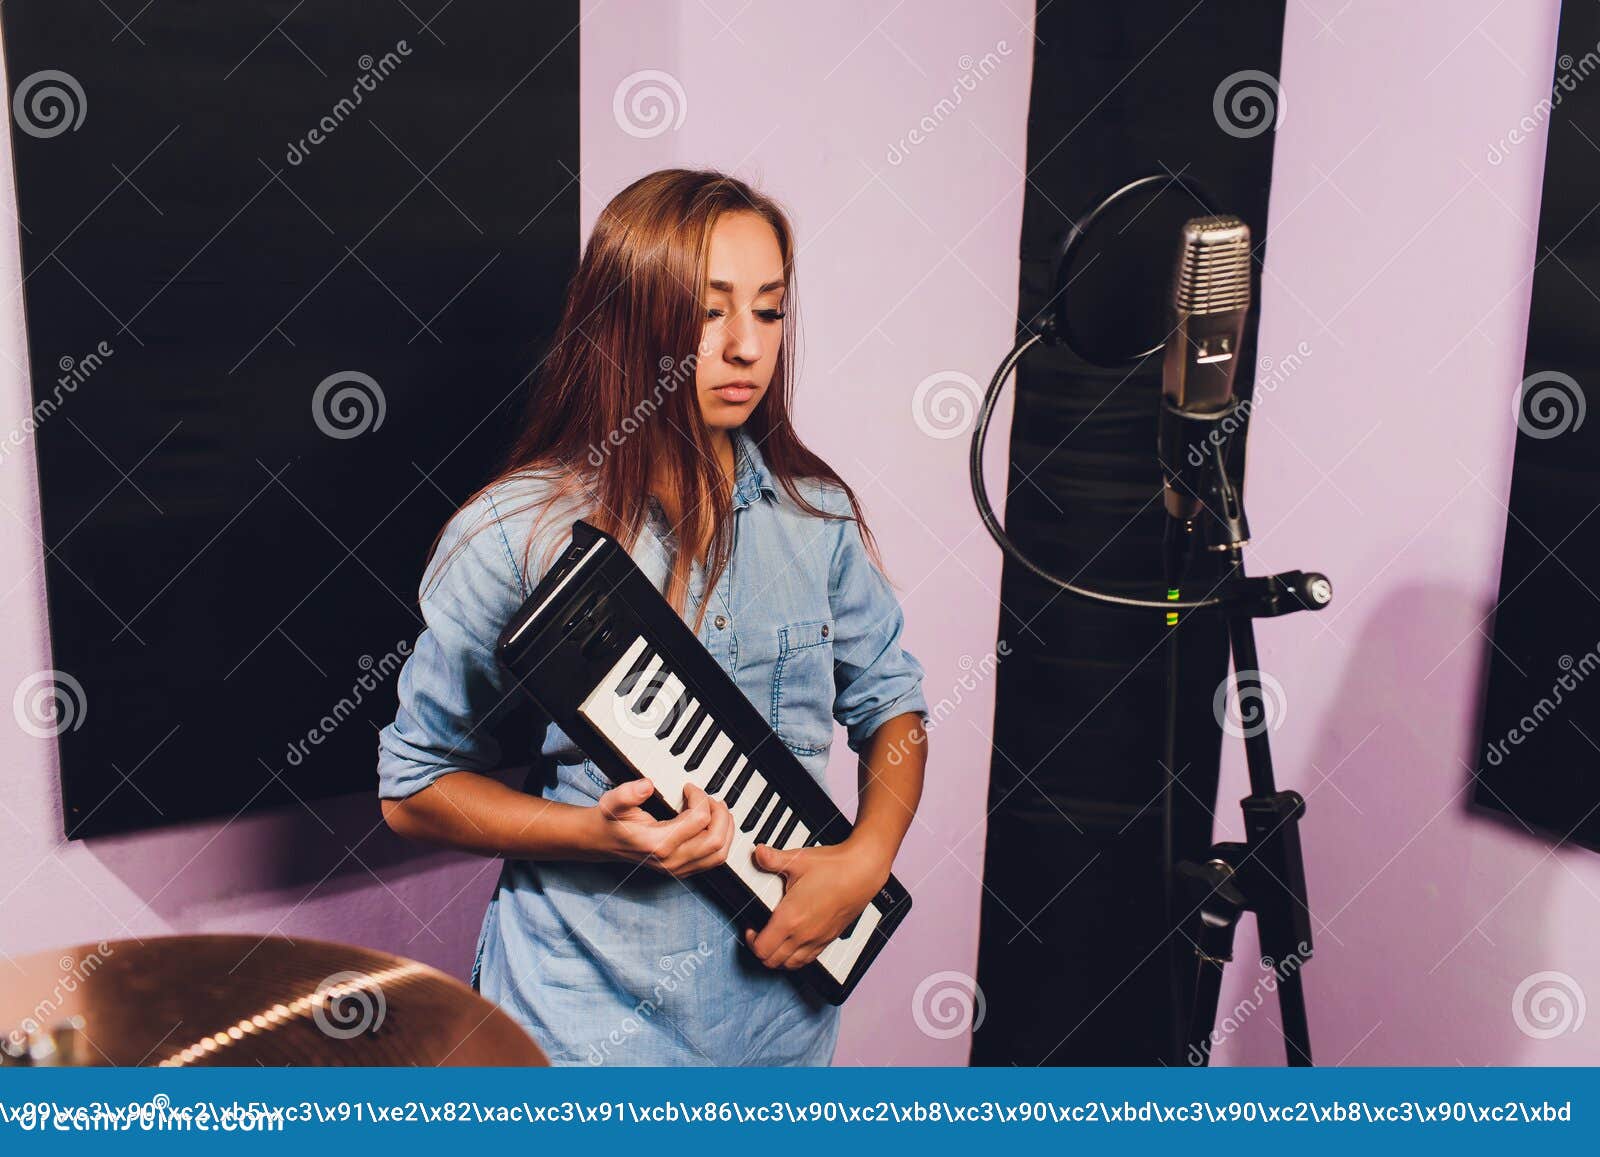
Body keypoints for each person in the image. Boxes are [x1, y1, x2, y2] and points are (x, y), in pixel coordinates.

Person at [376, 168, 930, 1066]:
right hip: (579, 1032)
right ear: (628, 322)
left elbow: (895, 707)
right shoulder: (510, 537)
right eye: (710, 312)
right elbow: (412, 790)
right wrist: (597, 835)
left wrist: (866, 857)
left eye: (771, 309)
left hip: (781, 1031)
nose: (748, 347)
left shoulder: (816, 517)